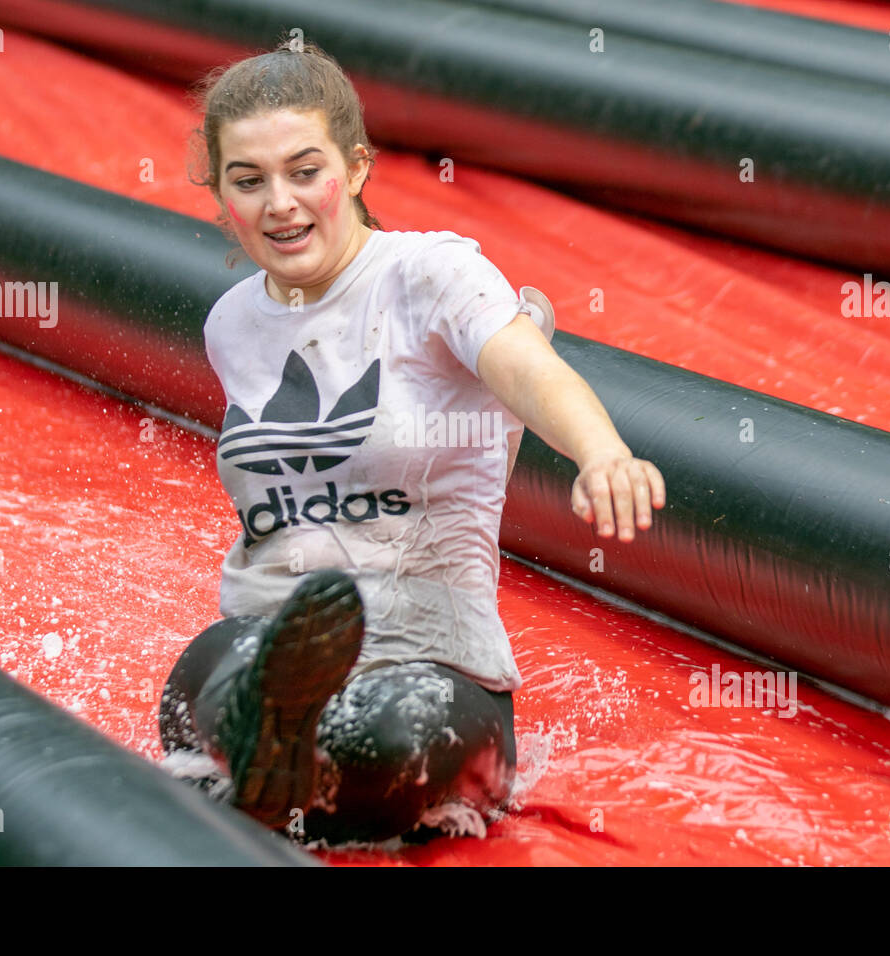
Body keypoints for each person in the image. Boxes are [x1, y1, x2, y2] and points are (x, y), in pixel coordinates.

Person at [159, 39, 665, 845]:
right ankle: (274, 738)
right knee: (199, 683)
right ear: (218, 191)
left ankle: (276, 772)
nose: (279, 203)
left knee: (385, 736)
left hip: (431, 664)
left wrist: (600, 450)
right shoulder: (234, 323)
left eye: (304, 170)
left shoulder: (428, 276)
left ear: (356, 167)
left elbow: (527, 368)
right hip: (265, 633)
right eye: (247, 181)